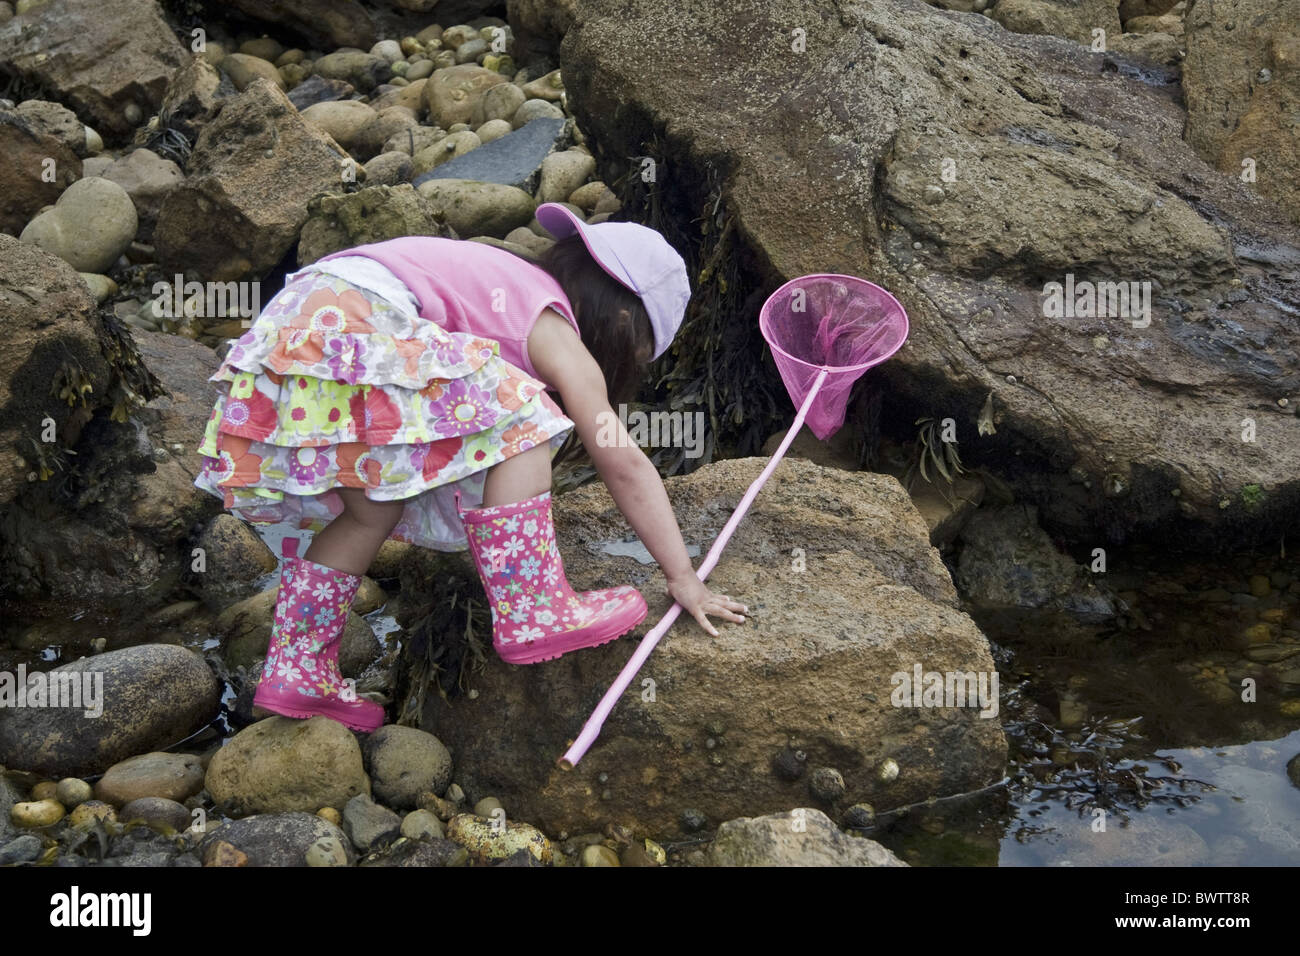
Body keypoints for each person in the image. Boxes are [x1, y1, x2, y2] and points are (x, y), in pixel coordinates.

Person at [194, 202, 748, 733]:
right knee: (526, 414)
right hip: (366, 315)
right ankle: (534, 607)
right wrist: (682, 576)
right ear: (624, 323)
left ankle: (299, 669)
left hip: (294, 326)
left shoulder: (501, 285)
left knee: (371, 511)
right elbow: (619, 458)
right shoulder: (549, 321)